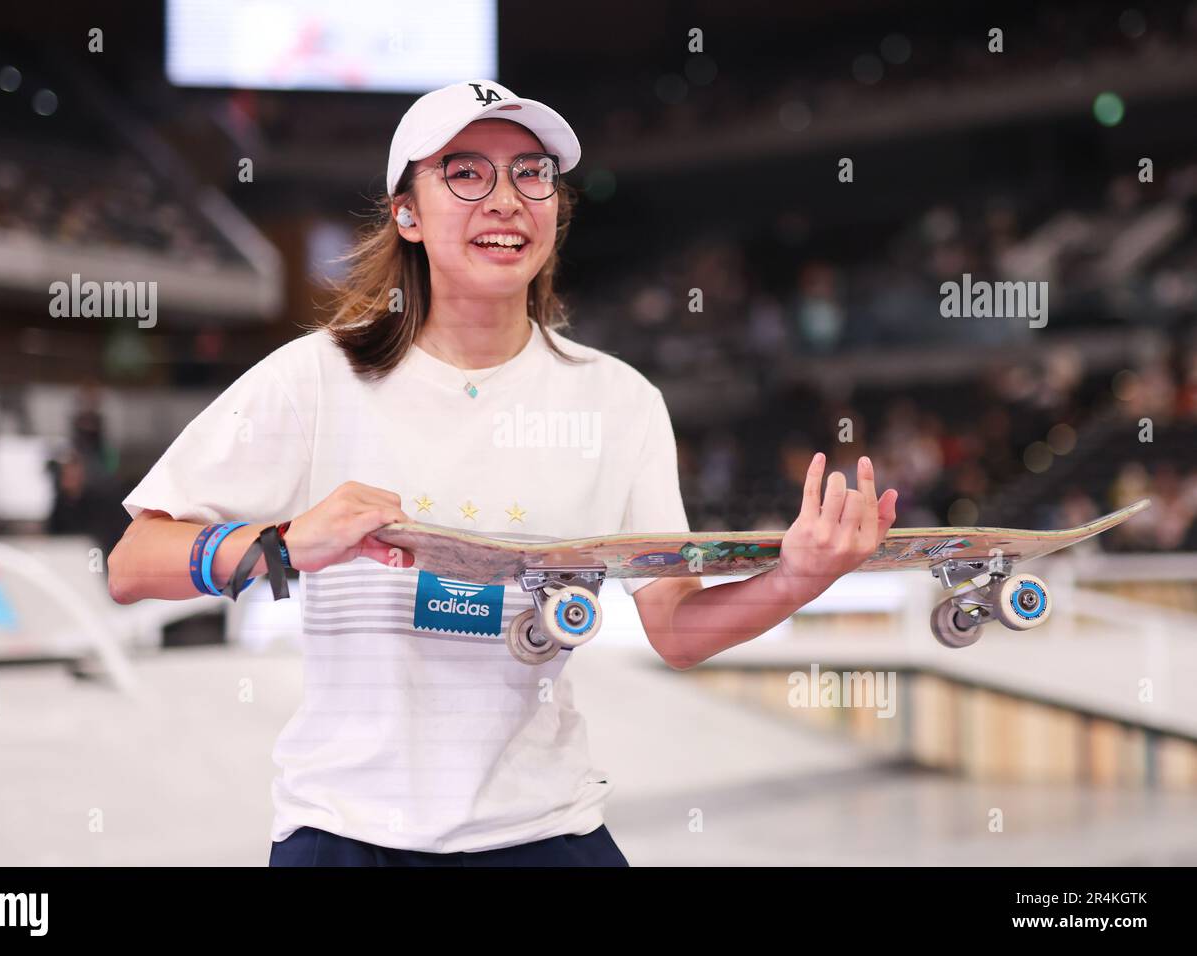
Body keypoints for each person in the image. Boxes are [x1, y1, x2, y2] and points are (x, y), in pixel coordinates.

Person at [107, 79, 898, 867]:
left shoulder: (618, 401)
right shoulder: (314, 378)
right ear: (406, 213)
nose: (505, 200)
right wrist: (281, 544)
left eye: (531, 173)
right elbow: (132, 564)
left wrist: (796, 580)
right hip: (348, 834)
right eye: (465, 173)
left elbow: (676, 627)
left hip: (544, 832)